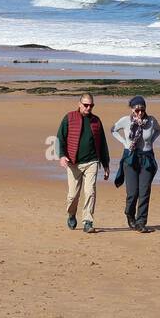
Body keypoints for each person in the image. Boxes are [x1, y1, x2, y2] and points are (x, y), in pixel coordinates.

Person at [55, 93, 109, 233]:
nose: (88, 107)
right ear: (79, 104)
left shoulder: (96, 121)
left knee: (90, 191)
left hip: (92, 162)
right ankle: (71, 214)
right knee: (73, 195)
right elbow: (60, 138)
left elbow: (103, 143)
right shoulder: (69, 117)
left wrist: (106, 164)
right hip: (73, 163)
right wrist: (61, 156)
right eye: (86, 105)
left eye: (91, 105)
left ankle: (88, 221)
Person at [111, 95, 160, 232]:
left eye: (142, 109)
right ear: (132, 109)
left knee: (144, 191)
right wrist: (124, 143)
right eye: (137, 109)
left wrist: (151, 141)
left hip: (147, 158)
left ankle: (141, 222)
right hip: (131, 157)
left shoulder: (151, 121)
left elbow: (158, 130)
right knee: (133, 192)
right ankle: (129, 214)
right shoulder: (125, 121)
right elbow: (113, 130)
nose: (140, 112)